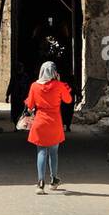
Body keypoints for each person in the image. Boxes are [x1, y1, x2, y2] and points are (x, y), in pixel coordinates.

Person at [25, 61, 72, 193]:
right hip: (54, 123)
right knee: (53, 153)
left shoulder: (34, 86)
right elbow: (68, 100)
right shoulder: (59, 85)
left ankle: (40, 183)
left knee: (41, 152)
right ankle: (54, 179)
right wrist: (61, 83)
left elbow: (30, 105)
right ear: (54, 72)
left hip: (40, 122)